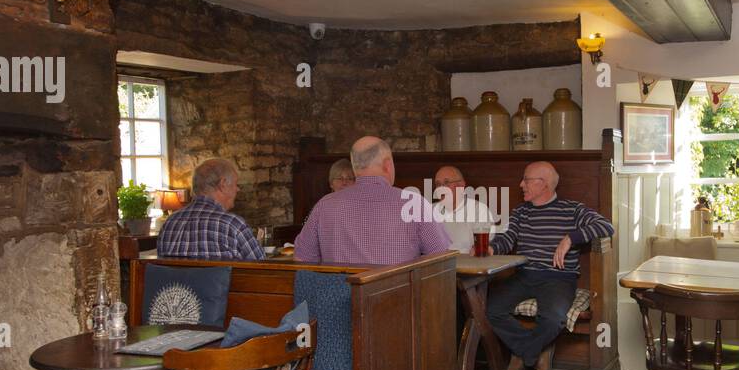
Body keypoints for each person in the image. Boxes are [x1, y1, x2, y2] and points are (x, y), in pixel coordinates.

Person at [488, 160, 614, 370]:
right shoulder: (520, 212)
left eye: (526, 180)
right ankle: (536, 351)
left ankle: (521, 354)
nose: (521, 184)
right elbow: (507, 238)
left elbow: (606, 226)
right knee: (488, 309)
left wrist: (570, 238)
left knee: (554, 318)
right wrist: (490, 248)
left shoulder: (572, 209)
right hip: (525, 275)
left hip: (559, 278)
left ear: (543, 184)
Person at [295, 136, 450, 265]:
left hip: (338, 300)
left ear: (355, 168)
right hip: (395, 299)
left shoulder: (325, 205)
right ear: (388, 165)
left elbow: (301, 259)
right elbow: (441, 258)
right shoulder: (414, 203)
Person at [158, 158, 264, 261]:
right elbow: (263, 269)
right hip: (222, 279)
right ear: (222, 185)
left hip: (176, 279)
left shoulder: (170, 222)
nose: (238, 189)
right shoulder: (232, 224)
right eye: (236, 184)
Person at [433, 164, 496, 254]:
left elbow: (484, 247)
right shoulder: (429, 211)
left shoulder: (478, 210)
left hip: (468, 265)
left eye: (446, 183)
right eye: (438, 184)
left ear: (461, 185)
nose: (441, 188)